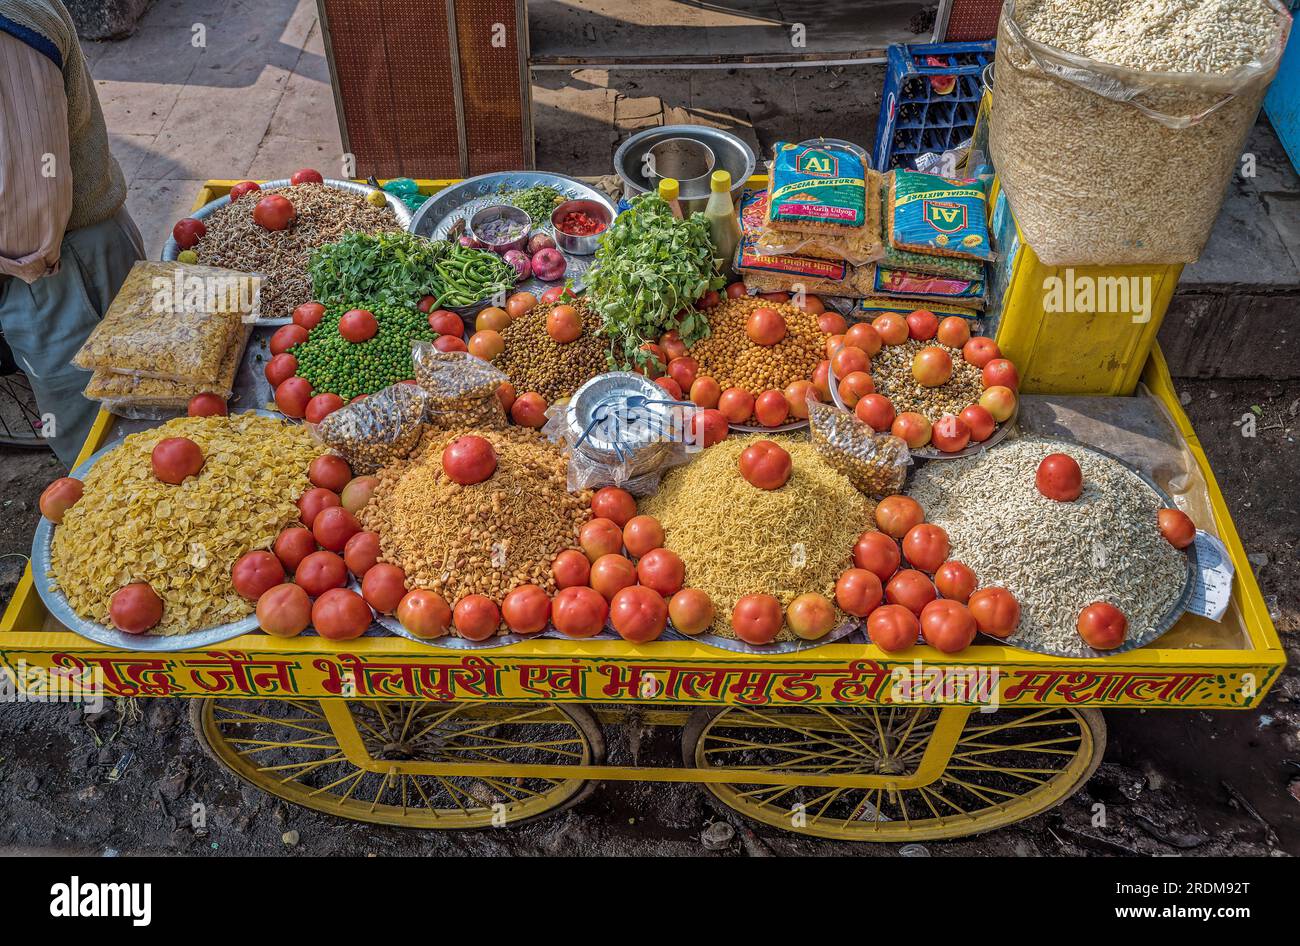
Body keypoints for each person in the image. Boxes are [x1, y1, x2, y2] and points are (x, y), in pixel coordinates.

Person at [0, 0, 144, 467]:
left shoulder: (8, 30)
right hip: (60, 258)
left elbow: (30, 200)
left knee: (105, 448)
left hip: (54, 265)